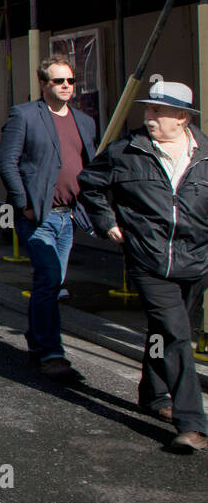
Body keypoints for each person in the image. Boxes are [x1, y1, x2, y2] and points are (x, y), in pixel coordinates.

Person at [79, 79, 208, 452]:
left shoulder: (204, 156)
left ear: (182, 117)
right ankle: (191, 422)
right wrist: (107, 223)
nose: (149, 117)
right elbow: (90, 183)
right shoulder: (126, 150)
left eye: (158, 111)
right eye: (148, 109)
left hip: (195, 260)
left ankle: (153, 394)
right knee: (177, 335)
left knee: (164, 331)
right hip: (147, 259)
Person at [0, 55, 97, 382]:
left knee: (49, 285)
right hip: (37, 217)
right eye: (58, 81)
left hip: (68, 217)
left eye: (69, 80)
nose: (66, 86)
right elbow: (6, 162)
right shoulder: (24, 115)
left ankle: (37, 339)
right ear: (44, 84)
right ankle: (52, 352)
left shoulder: (85, 121)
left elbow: (90, 166)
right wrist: (24, 204)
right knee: (50, 277)